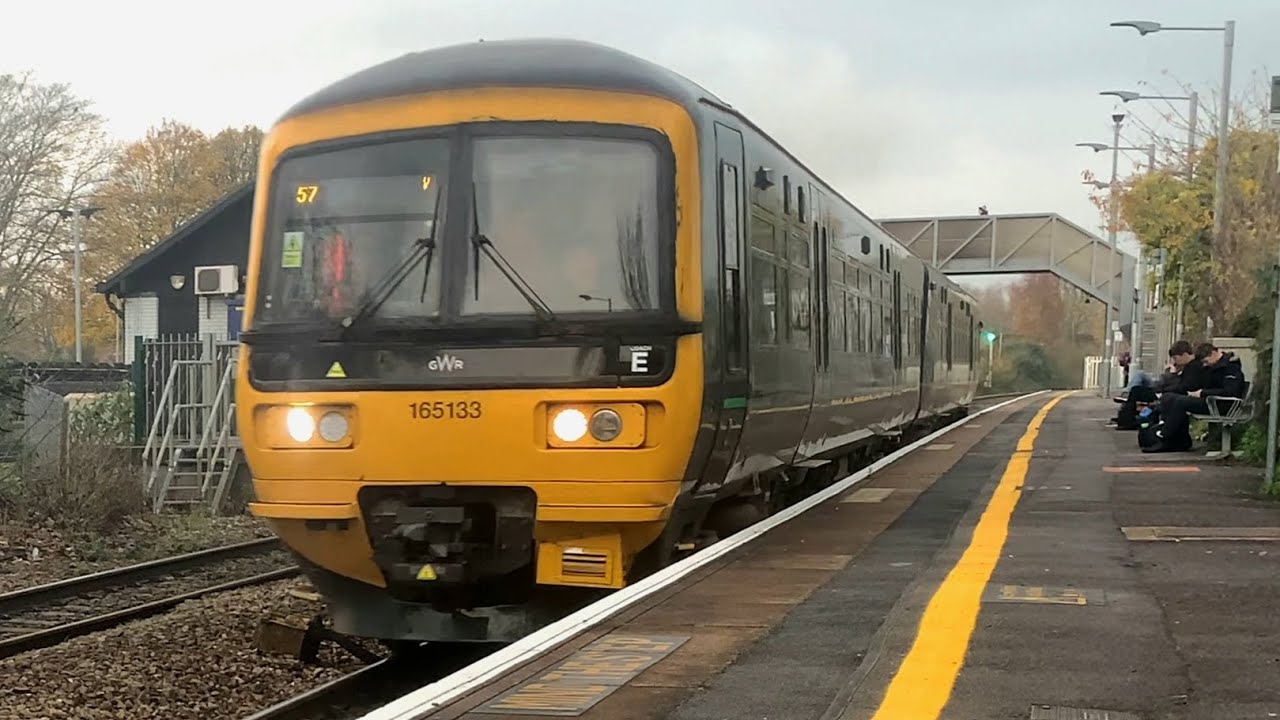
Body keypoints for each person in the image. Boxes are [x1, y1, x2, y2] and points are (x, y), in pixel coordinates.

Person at [1145, 341, 1245, 453]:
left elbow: (1230, 391)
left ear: (1213, 353)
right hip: (1211, 401)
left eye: (1206, 361)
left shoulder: (1231, 368)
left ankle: (1166, 437)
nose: (1205, 365)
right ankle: (1177, 438)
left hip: (1222, 404)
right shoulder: (1213, 366)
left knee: (1180, 402)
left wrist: (1202, 393)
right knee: (1171, 398)